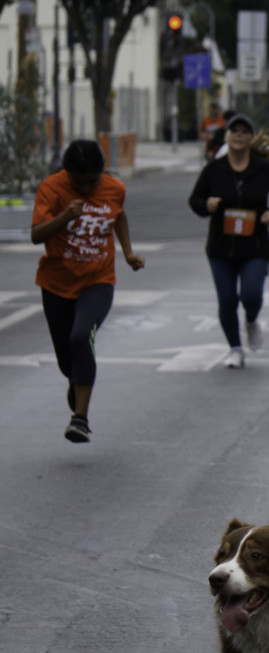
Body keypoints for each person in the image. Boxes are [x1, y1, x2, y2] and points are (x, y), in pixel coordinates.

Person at [31, 139, 145, 443]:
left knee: (81, 336)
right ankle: (76, 378)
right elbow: (35, 235)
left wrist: (128, 253)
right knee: (67, 361)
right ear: (66, 173)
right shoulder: (51, 189)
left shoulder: (114, 188)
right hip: (56, 283)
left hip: (98, 280)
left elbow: (118, 215)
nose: (84, 187)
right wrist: (64, 216)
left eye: (91, 181)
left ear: (101, 172)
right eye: (78, 182)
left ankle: (79, 419)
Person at [188, 113, 269, 368]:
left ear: (250, 138)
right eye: (235, 131)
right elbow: (195, 200)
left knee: (251, 294)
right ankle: (235, 347)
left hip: (255, 245)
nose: (239, 136)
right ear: (227, 136)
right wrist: (207, 205)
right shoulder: (215, 168)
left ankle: (252, 320)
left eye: (245, 132)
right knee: (227, 300)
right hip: (221, 247)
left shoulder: (263, 168)